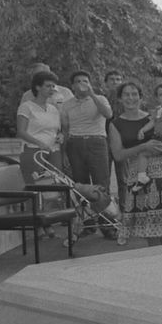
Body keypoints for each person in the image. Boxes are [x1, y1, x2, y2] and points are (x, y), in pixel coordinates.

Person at [108, 81, 162, 246]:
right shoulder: (115, 124)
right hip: (139, 177)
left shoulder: (155, 115)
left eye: (134, 94)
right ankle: (155, 265)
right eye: (126, 94)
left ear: (141, 97)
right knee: (152, 232)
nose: (131, 98)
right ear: (120, 99)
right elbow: (118, 155)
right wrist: (143, 146)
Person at [60, 70, 114, 236]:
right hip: (75, 143)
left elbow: (108, 114)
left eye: (85, 80)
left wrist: (91, 94)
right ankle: (88, 223)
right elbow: (65, 129)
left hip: (96, 141)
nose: (82, 83)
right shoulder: (66, 104)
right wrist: (63, 153)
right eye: (78, 81)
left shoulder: (100, 99)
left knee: (101, 184)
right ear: (73, 86)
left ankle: (108, 225)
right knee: (80, 185)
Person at [17, 70, 64, 186]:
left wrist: (61, 135)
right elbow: (21, 132)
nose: (52, 89)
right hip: (33, 151)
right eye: (48, 86)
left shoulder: (53, 109)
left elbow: (57, 130)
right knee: (36, 186)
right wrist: (39, 143)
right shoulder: (26, 107)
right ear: (37, 87)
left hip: (54, 151)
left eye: (53, 86)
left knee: (56, 186)